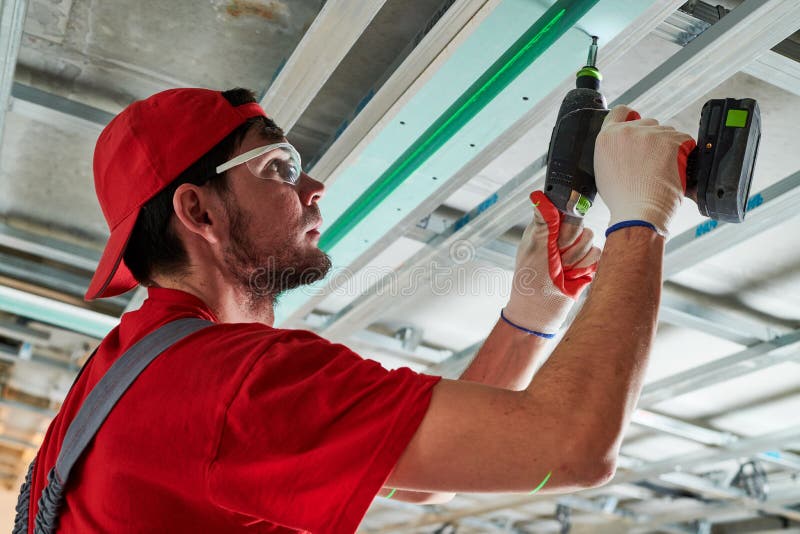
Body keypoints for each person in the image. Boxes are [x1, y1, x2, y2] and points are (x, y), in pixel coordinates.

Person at [23, 87, 694, 533]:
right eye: (279, 167)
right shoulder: (224, 383)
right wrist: (642, 218)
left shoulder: (139, 367)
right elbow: (571, 448)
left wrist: (532, 312)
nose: (315, 188)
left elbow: (429, 482)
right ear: (197, 211)